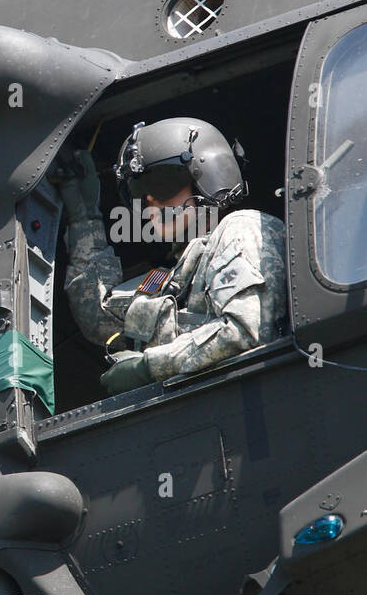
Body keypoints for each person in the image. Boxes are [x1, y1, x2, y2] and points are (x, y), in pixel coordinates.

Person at [57, 117, 287, 394]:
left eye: (163, 184)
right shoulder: (172, 277)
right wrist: (84, 217)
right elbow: (98, 319)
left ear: (209, 176)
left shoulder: (240, 227)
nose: (152, 202)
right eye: (141, 193)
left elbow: (246, 332)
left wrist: (148, 367)